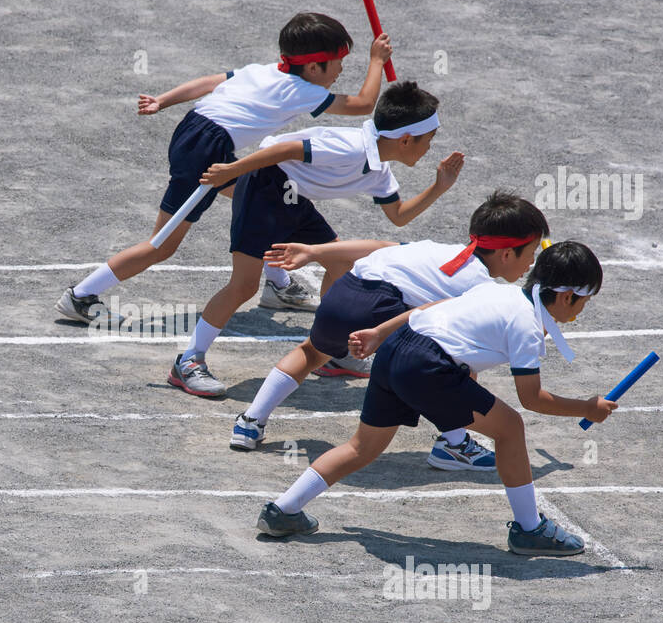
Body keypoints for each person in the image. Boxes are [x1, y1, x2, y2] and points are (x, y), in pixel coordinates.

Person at [256, 241, 616, 557]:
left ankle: (283, 510)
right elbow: (532, 398)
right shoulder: (525, 325)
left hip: (398, 347)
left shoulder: (496, 291)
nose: (581, 311)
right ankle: (529, 529)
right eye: (585, 301)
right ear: (568, 295)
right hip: (426, 366)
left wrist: (381, 333)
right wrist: (586, 408)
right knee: (509, 427)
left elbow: (432, 307)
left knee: (362, 446)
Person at [56, 12, 392, 325]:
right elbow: (363, 104)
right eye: (339, 63)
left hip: (194, 133)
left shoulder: (264, 70)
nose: (341, 71)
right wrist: (376, 61)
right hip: (205, 149)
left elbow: (208, 82)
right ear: (314, 67)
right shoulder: (302, 91)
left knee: (273, 199)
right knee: (162, 244)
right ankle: (81, 296)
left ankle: (277, 284)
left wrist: (164, 100)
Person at [168, 81, 462, 397]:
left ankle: (332, 351)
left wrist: (439, 186)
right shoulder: (351, 147)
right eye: (428, 140)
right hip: (264, 188)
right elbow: (284, 150)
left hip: (293, 199)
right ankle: (188, 362)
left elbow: (399, 215)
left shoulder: (378, 170)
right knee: (243, 285)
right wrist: (232, 170)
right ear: (405, 140)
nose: (430, 147)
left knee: (343, 263)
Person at [231, 191, 551, 475]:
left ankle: (249, 423)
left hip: (347, 290)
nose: (532, 263)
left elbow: (381, 246)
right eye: (531, 252)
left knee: (311, 352)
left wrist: (317, 252)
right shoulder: (480, 286)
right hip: (382, 305)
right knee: (457, 362)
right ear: (507, 253)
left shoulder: (436, 249)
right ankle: (454, 444)